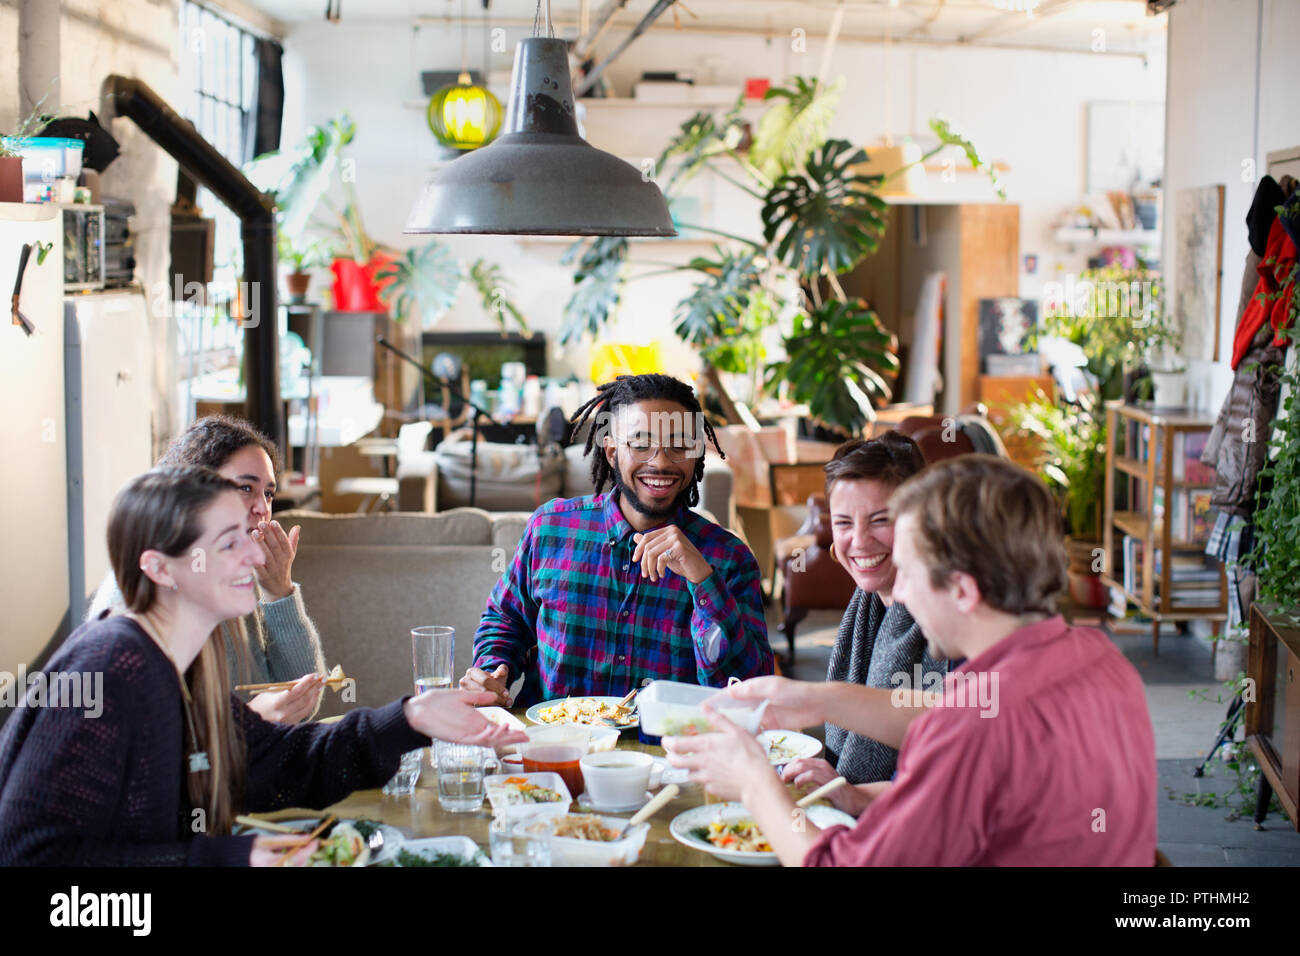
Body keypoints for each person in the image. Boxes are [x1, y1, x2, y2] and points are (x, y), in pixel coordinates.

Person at [0, 467, 525, 866]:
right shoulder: (112, 666)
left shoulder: (184, 668)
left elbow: (285, 760)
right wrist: (232, 858)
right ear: (160, 567)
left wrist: (412, 718)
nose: (255, 557)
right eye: (228, 543)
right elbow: (33, 856)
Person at [664, 455, 1157, 866]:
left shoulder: (972, 733)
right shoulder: (1098, 657)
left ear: (963, 590)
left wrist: (755, 783)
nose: (898, 590)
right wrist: (816, 701)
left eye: (911, 570)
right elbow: (953, 723)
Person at [461, 373, 773, 707]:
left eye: (679, 445)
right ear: (611, 451)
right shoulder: (549, 528)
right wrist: (494, 670)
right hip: (554, 746)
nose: (661, 462)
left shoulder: (728, 559)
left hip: (669, 752)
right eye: (640, 444)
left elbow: (747, 690)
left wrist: (704, 582)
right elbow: (505, 619)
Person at [87, 416, 326, 723]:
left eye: (268, 493)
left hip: (253, 763)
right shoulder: (139, 590)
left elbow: (304, 704)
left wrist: (278, 590)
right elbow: (142, 734)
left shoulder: (236, 575)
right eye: (245, 487)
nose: (262, 508)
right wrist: (249, 720)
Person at [780, 433, 947, 816]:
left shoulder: (950, 618)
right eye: (843, 523)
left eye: (880, 520)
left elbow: (954, 768)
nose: (859, 541)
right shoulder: (868, 603)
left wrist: (851, 795)